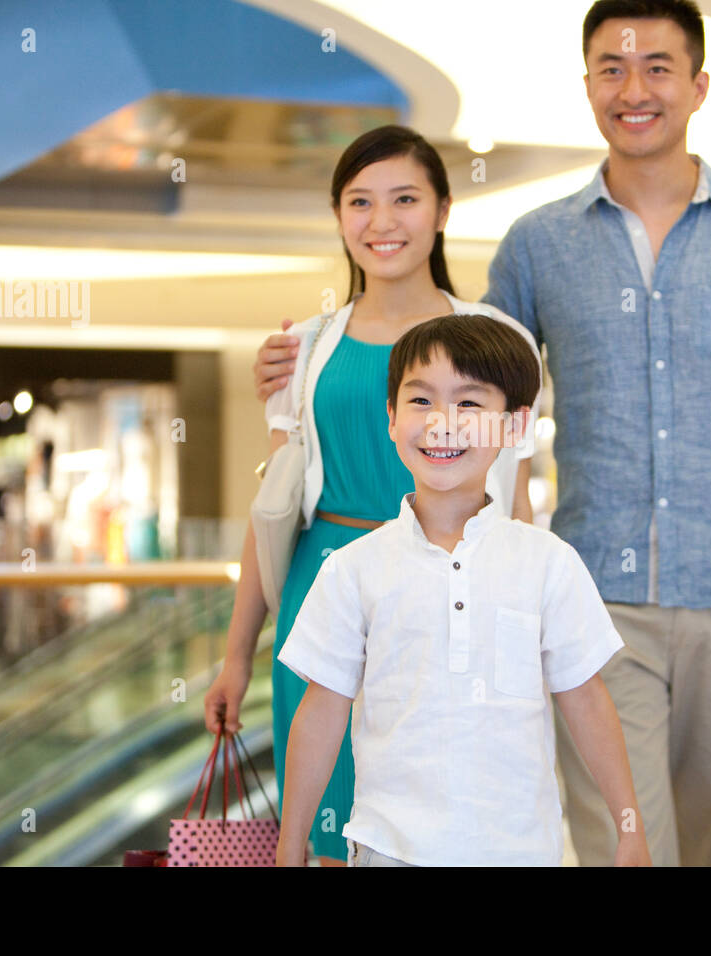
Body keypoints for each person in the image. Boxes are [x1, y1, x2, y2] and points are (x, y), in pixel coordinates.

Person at [254, 0, 711, 867]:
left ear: (699, 85)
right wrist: (311, 365)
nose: (634, 89)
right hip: (595, 591)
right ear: (586, 85)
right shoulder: (537, 244)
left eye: (658, 68)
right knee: (631, 845)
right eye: (612, 69)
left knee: (697, 845)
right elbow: (458, 383)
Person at [204, 126, 542, 866]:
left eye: (405, 199)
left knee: (433, 826)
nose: (382, 222)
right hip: (323, 597)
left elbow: (513, 501)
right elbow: (275, 510)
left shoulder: (493, 340)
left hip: (443, 603)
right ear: (337, 216)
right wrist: (235, 654)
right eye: (360, 202)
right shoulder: (306, 348)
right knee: (324, 832)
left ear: (443, 210)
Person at [274, 314, 648, 866]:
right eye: (421, 401)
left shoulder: (547, 562)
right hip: (388, 847)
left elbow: (586, 699)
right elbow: (322, 710)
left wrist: (629, 828)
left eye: (470, 404)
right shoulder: (353, 569)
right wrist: (290, 846)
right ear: (391, 419)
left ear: (515, 428)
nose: (443, 423)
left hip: (518, 851)